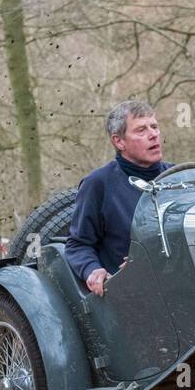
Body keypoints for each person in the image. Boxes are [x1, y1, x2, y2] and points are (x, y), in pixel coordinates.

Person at [66, 101, 171, 296]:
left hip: (181, 286)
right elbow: (78, 244)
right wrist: (92, 270)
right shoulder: (98, 184)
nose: (153, 134)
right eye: (141, 130)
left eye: (154, 127)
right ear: (119, 141)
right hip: (130, 296)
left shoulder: (179, 177)